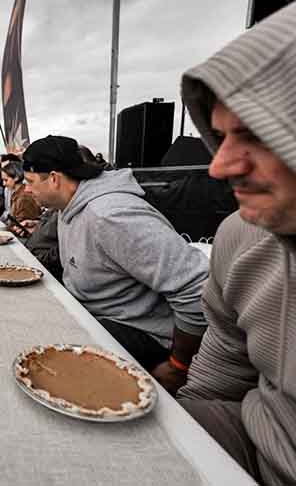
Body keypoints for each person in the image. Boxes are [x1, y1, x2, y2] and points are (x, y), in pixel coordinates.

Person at [175, 2, 296, 486]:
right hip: (251, 437)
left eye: (254, 134)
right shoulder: (240, 235)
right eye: (221, 136)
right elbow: (224, 362)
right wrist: (173, 440)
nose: (218, 167)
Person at [22, 135, 209, 392]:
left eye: (30, 182)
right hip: (97, 316)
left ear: (54, 178)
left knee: (49, 372)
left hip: (140, 332)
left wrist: (179, 366)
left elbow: (196, 288)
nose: (26, 190)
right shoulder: (68, 206)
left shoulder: (111, 216)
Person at [1, 161, 41, 232]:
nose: (3, 184)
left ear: (16, 177)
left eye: (6, 180)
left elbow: (21, 228)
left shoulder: (24, 198)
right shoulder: (17, 194)